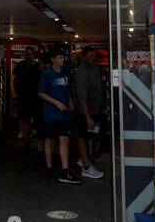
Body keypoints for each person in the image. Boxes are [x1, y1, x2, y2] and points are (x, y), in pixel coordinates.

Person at [38, 50, 78, 184]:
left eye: (63, 57)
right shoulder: (47, 74)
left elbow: (67, 89)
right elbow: (41, 93)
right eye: (59, 57)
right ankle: (49, 169)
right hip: (50, 113)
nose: (62, 60)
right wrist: (56, 103)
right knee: (49, 141)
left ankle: (65, 170)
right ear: (53, 59)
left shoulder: (65, 71)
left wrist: (70, 100)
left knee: (64, 140)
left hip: (64, 113)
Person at [72, 47, 105, 180]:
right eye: (90, 56)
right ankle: (86, 166)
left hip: (94, 110)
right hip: (85, 112)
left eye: (94, 56)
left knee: (90, 136)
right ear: (83, 57)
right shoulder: (82, 72)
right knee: (82, 137)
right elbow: (82, 96)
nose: (92, 58)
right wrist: (87, 116)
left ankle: (83, 159)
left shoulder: (93, 68)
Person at [13, 46, 43, 150]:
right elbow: (15, 80)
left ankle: (34, 137)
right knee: (25, 119)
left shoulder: (39, 66)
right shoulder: (20, 65)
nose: (28, 56)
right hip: (24, 96)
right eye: (26, 54)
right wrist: (15, 93)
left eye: (30, 54)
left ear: (34, 55)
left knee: (36, 119)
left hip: (35, 97)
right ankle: (27, 140)